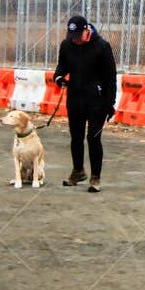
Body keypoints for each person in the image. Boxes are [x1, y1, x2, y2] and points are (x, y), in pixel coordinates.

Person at [52, 14, 117, 193]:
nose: (75, 40)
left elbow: (110, 78)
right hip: (74, 99)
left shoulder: (102, 47)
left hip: (97, 101)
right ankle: (78, 171)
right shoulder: (67, 46)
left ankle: (95, 177)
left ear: (86, 31)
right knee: (76, 138)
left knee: (93, 138)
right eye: (72, 36)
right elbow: (61, 67)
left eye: (78, 36)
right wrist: (58, 78)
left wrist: (110, 104)